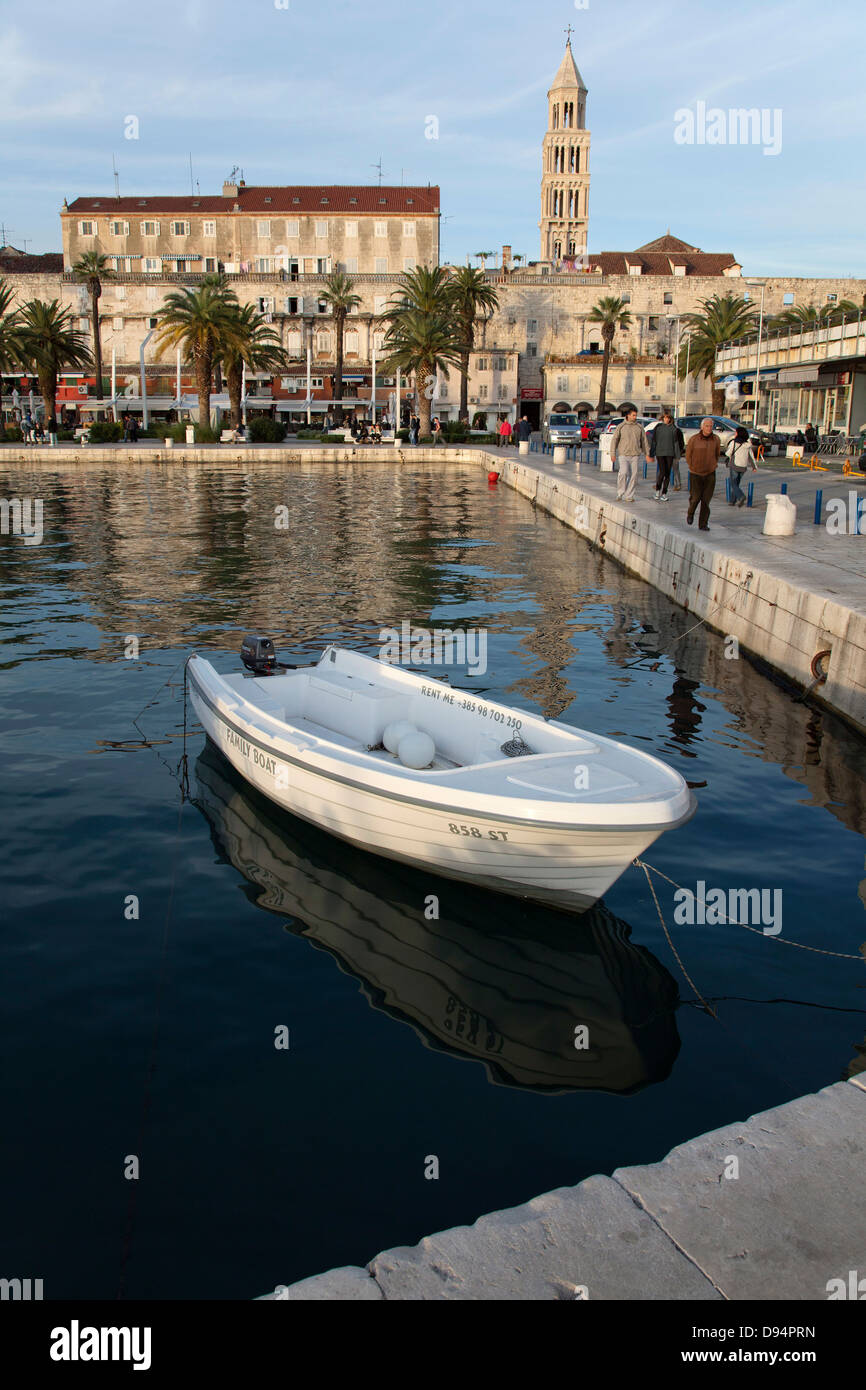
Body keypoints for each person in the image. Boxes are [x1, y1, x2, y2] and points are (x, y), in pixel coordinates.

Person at [685, 418, 721, 530]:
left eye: (711, 426)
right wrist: (692, 466)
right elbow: (688, 455)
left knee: (706, 500)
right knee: (695, 498)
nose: (709, 428)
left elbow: (717, 454)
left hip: (710, 473)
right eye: (706, 426)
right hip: (695, 473)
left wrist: (713, 465)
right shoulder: (694, 439)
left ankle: (703, 524)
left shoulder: (716, 439)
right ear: (702, 427)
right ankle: (690, 513)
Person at [610, 408, 651, 502]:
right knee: (623, 473)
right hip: (623, 454)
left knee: (634, 475)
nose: (635, 417)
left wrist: (647, 454)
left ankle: (629, 495)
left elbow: (644, 441)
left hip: (635, 454)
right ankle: (620, 492)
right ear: (628, 415)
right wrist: (613, 453)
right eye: (633, 415)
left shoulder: (639, 427)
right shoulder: (621, 426)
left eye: (635, 415)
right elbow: (614, 440)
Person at [649, 409, 680, 502]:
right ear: (663, 418)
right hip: (660, 453)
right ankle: (657, 491)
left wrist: (677, 455)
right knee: (662, 472)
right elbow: (654, 441)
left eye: (668, 418)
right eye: (665, 418)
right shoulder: (658, 428)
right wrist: (651, 453)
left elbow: (676, 443)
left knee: (667, 473)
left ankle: (664, 493)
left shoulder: (674, 429)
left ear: (670, 419)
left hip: (670, 453)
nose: (666, 419)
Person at [725, 425, 758, 508]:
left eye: (736, 432)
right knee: (737, 484)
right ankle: (733, 501)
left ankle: (741, 496)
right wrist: (754, 467)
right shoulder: (747, 444)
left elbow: (728, 453)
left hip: (735, 465)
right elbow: (751, 456)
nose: (735, 434)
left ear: (738, 433)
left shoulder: (734, 442)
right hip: (743, 467)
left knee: (733, 483)